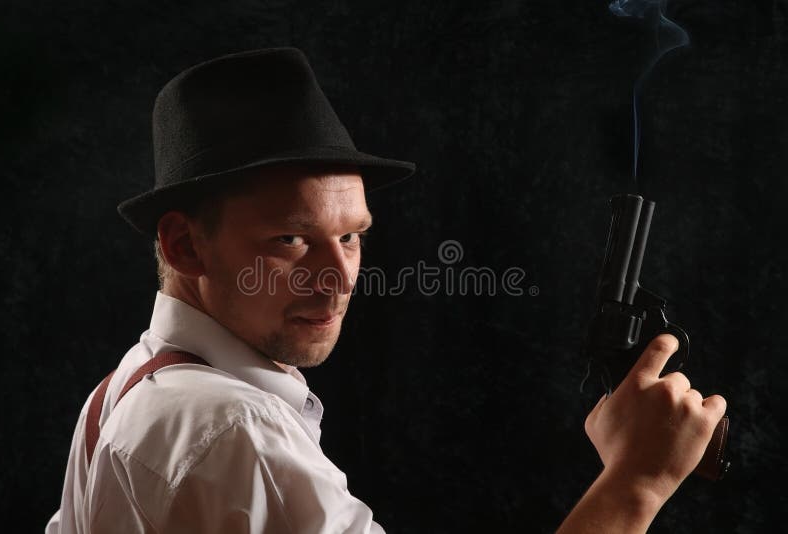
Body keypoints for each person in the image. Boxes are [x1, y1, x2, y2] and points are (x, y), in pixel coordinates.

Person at [46, 47, 727, 533]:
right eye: (291, 239)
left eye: (351, 237)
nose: (340, 277)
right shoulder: (234, 429)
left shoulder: (121, 390)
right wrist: (637, 483)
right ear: (184, 245)